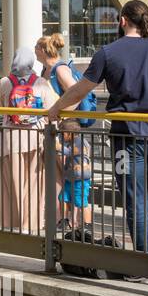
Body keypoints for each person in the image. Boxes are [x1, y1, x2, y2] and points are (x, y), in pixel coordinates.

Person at [49, 0, 148, 284]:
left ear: (122, 20)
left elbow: (80, 90)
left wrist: (55, 109)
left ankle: (146, 267)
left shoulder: (109, 53)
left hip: (127, 138)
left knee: (135, 200)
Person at [35, 33, 93, 235]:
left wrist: (62, 114)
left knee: (71, 177)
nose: (35, 51)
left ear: (42, 50)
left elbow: (75, 91)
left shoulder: (59, 69)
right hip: (60, 129)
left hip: (68, 129)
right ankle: (63, 220)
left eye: (36, 47)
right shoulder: (47, 69)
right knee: (60, 176)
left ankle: (76, 223)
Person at [0, 46, 52, 233]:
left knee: (12, 183)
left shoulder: (5, 82)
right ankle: (31, 224)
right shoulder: (41, 83)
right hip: (34, 138)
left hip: (11, 140)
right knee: (34, 183)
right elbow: (49, 112)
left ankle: (11, 222)